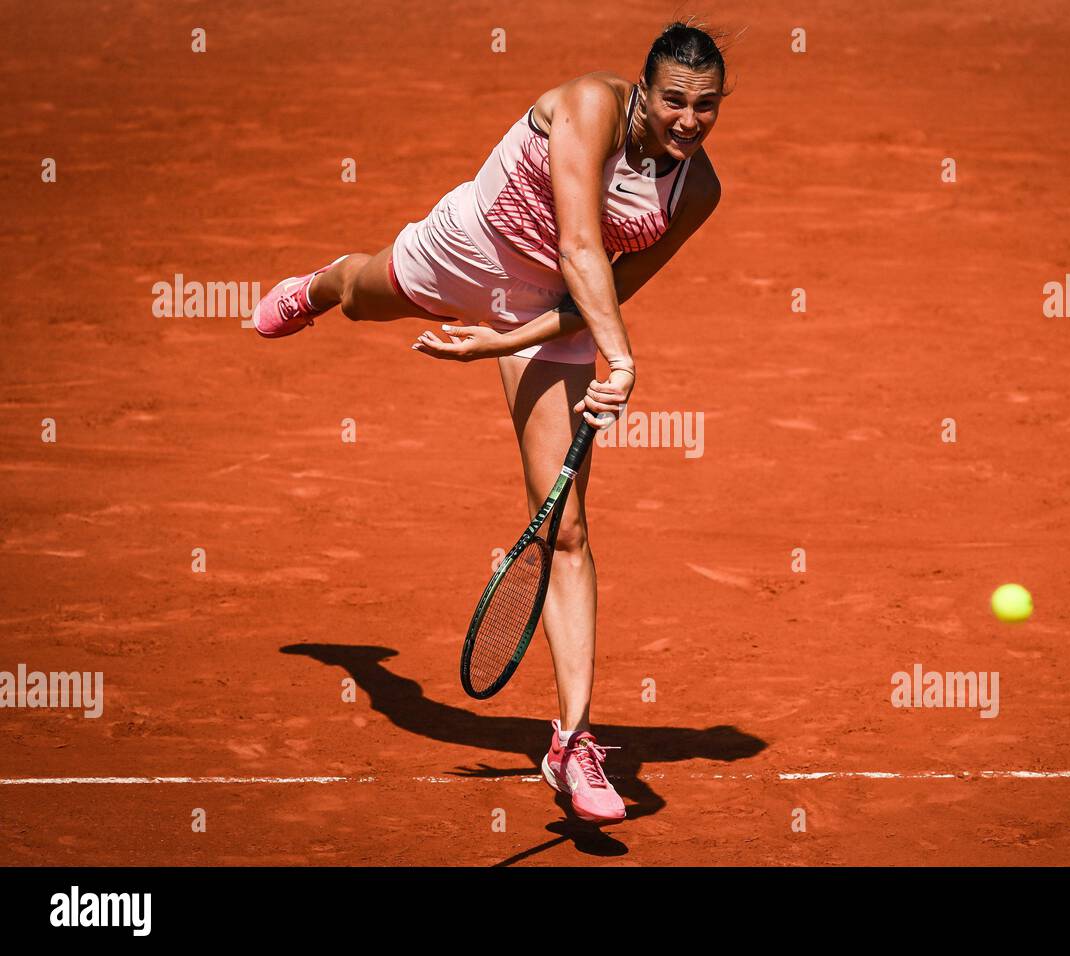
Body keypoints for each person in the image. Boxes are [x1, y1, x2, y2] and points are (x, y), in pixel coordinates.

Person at [251, 21, 730, 824]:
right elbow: (580, 241)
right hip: (473, 246)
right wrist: (623, 364)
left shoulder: (698, 190)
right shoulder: (588, 103)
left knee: (564, 529)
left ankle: (572, 740)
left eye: (708, 105)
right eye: (675, 99)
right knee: (366, 293)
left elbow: (600, 290)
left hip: (552, 313)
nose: (689, 118)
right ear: (643, 90)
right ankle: (324, 282)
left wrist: (509, 341)